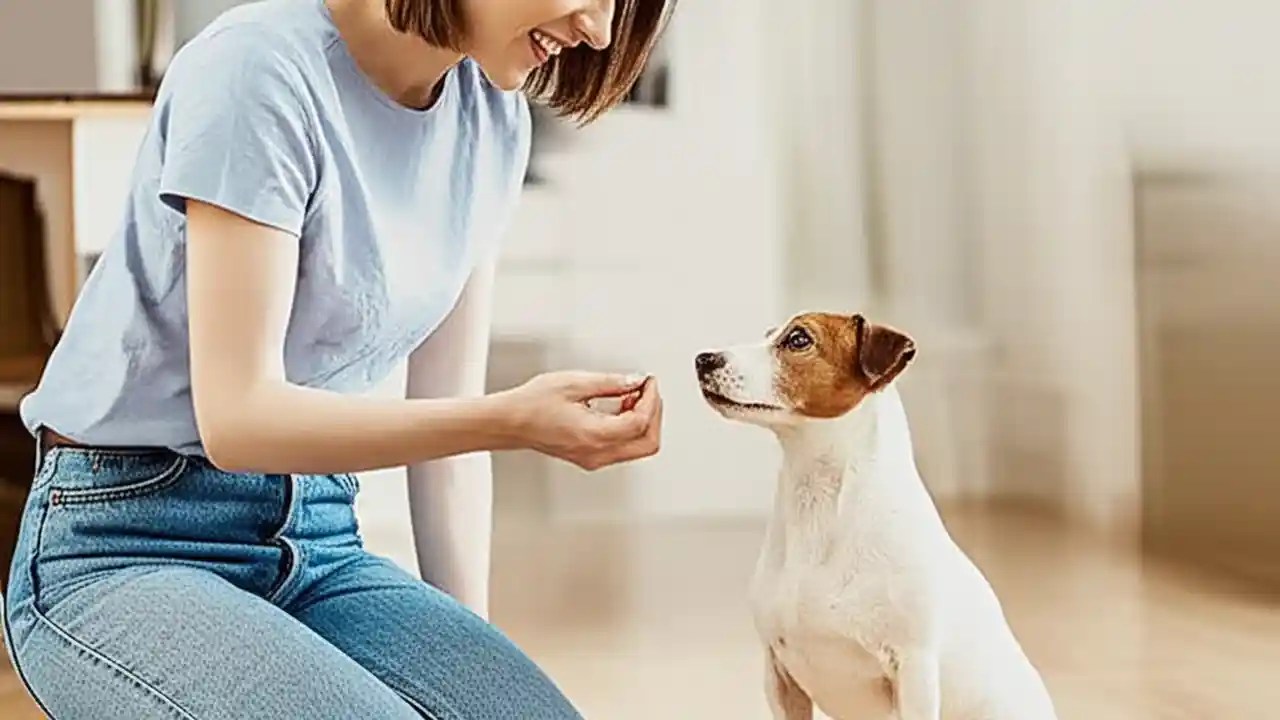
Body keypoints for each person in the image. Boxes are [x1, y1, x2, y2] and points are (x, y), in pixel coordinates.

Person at [1, 0, 672, 717]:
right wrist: (511, 420)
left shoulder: (491, 117)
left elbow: (448, 430)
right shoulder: (257, 70)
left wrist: (466, 668)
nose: (600, 32)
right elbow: (239, 420)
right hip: (127, 539)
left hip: (318, 536)